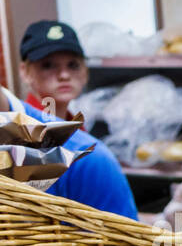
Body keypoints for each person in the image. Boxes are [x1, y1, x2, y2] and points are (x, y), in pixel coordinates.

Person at [16, 20, 136, 219]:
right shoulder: (21, 137)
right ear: (25, 72)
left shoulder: (78, 133)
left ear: (85, 72)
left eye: (73, 65)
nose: (64, 75)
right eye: (48, 65)